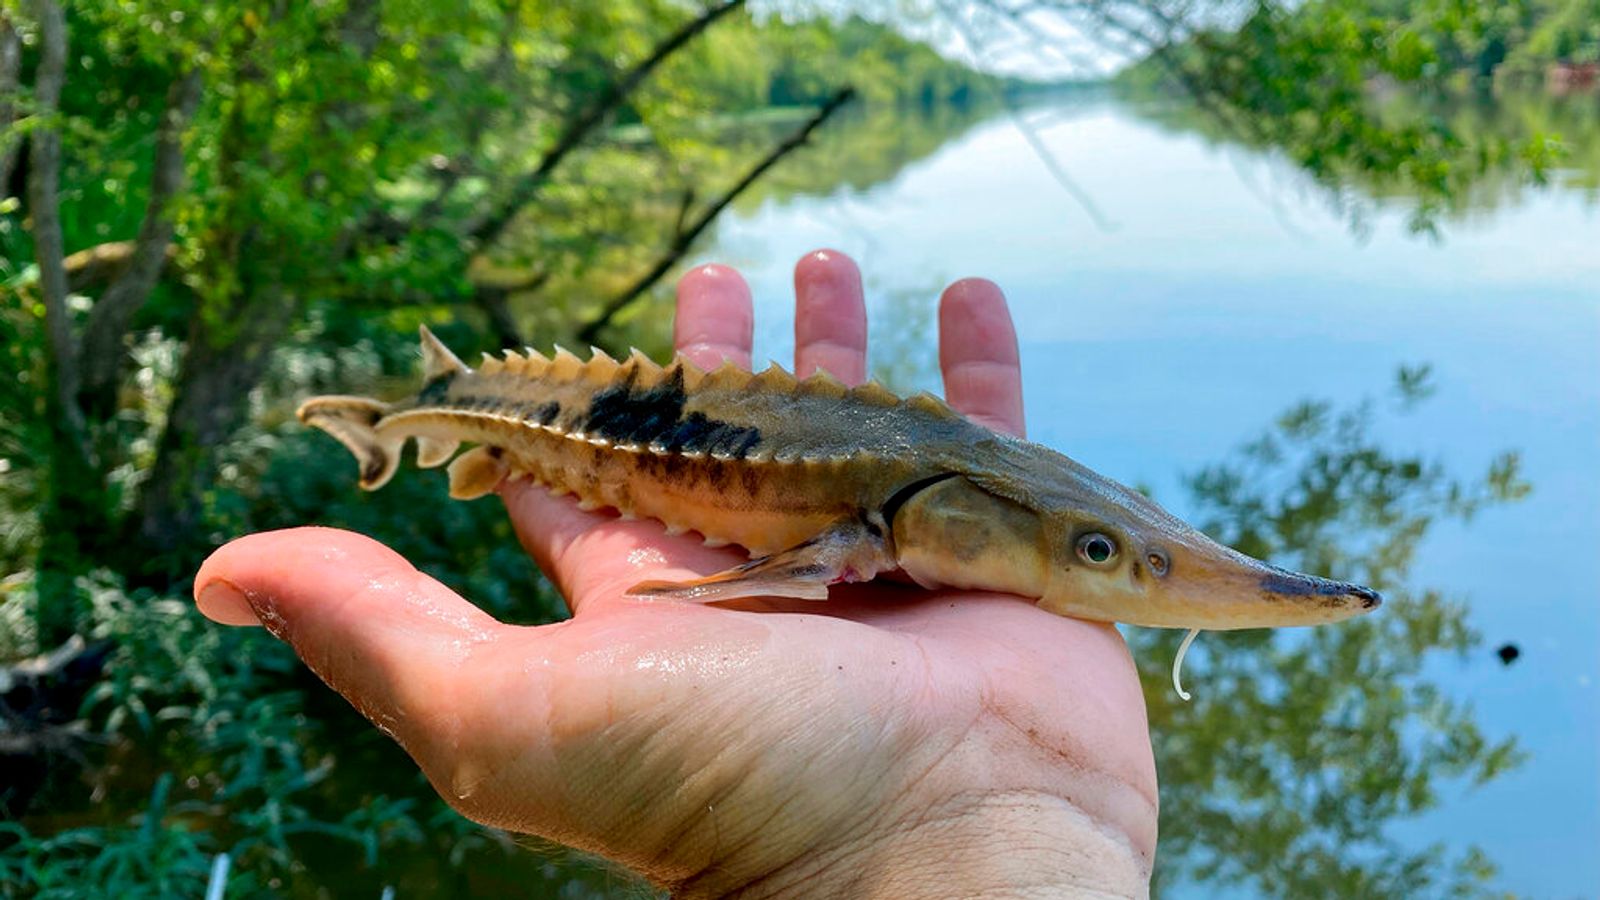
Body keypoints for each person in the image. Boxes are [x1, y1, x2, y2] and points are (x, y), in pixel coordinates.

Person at [194, 250, 1158, 898]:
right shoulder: (868, 526)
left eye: (1096, 547)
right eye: (1096, 551)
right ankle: (389, 429)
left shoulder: (937, 499)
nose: (1098, 563)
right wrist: (700, 595)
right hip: (550, 421)